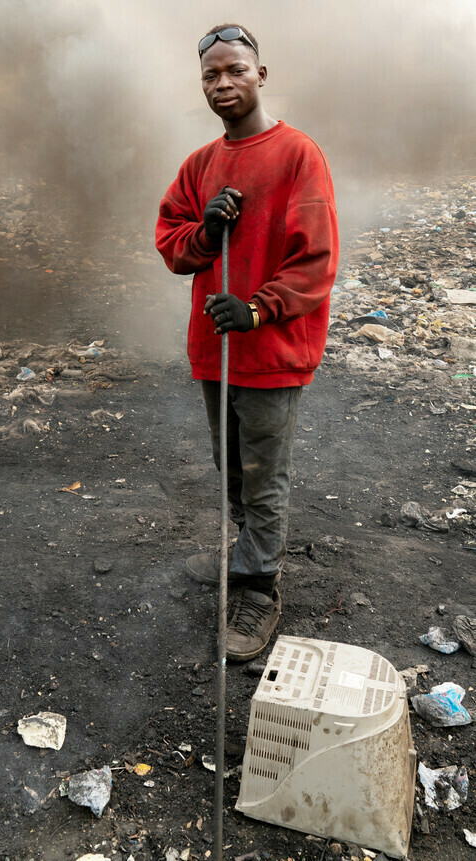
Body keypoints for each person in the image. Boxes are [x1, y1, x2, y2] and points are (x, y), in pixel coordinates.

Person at [155, 24, 339, 662]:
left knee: (264, 476)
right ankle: (246, 556)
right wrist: (206, 232)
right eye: (211, 75)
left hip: (269, 352)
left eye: (234, 70)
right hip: (216, 349)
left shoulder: (296, 155)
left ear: (261, 74)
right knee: (229, 466)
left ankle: (259, 589)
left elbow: (315, 262)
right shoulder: (200, 166)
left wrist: (259, 309)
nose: (223, 83)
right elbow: (172, 244)